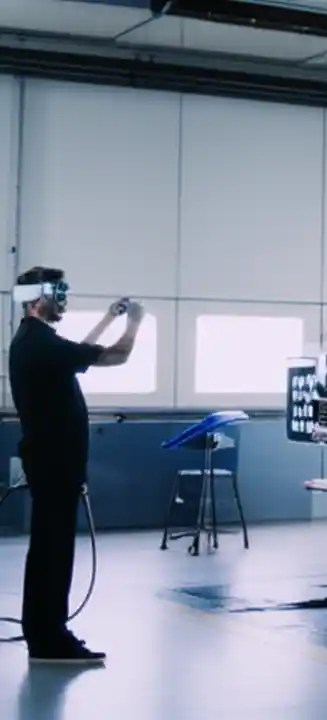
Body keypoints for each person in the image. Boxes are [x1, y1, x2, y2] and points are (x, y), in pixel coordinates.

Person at [8, 266, 144, 664]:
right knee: (53, 554)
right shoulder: (40, 345)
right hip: (54, 465)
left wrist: (108, 317)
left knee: (48, 551)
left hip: (51, 463)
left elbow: (76, 352)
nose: (63, 299)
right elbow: (117, 357)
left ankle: (45, 633)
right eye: (57, 292)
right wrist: (134, 323)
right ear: (35, 299)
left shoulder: (37, 342)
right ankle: (50, 640)